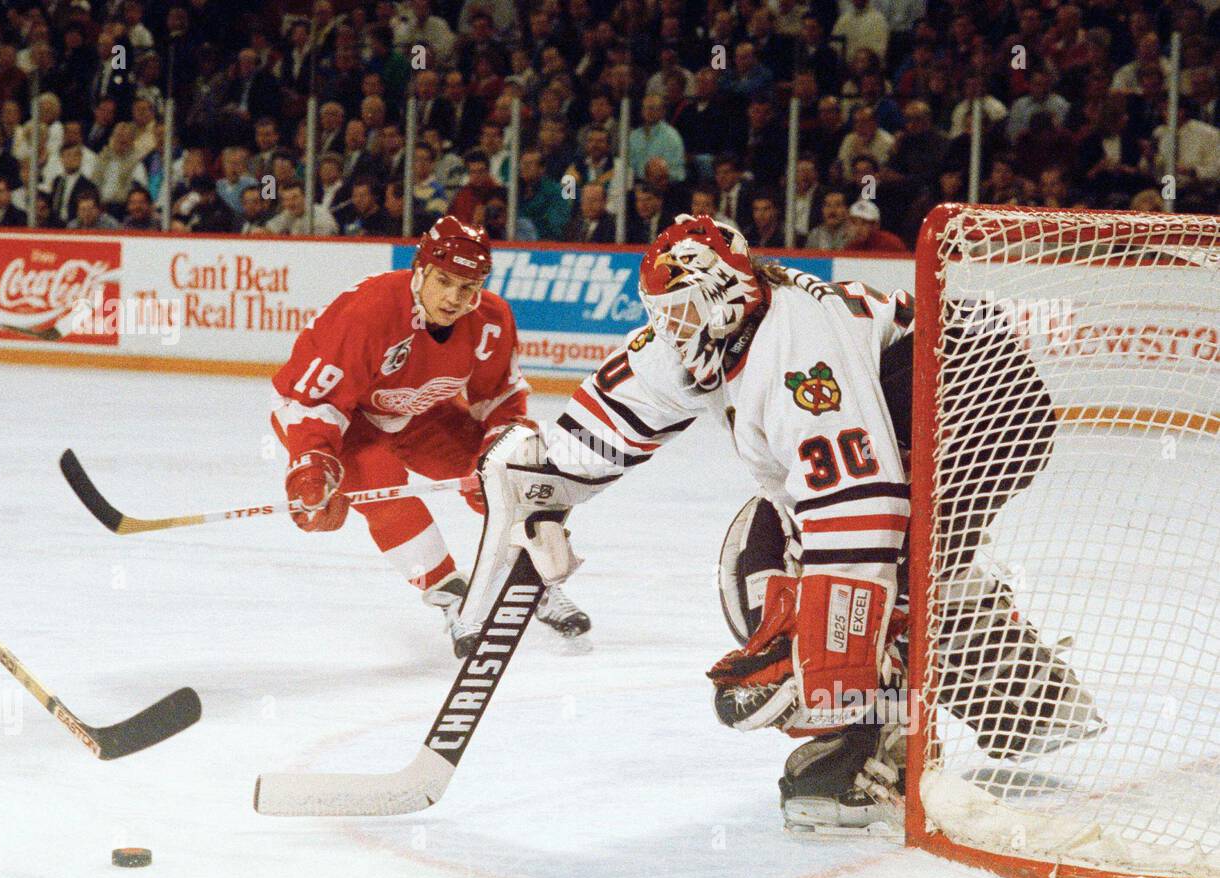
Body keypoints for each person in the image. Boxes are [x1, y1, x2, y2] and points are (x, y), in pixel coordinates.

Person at [465, 215, 1097, 831]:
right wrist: (544, 482)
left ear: (724, 297)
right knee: (762, 552)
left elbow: (860, 514)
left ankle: (874, 759)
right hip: (920, 410)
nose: (667, 328)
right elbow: (618, 413)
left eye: (679, 311)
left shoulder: (793, 345)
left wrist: (824, 672)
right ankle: (1031, 700)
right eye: (659, 311)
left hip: (983, 407)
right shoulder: (708, 336)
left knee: (885, 572)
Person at [269, 216, 590, 656]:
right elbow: (313, 402)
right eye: (443, 281)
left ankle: (530, 580)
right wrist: (313, 465)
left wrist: (496, 454)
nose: (454, 298)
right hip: (341, 418)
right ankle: (453, 596)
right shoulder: (369, 314)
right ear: (420, 270)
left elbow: (501, 401)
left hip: (419, 412)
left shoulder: (490, 320)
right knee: (383, 487)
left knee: (513, 473)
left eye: (467, 286)